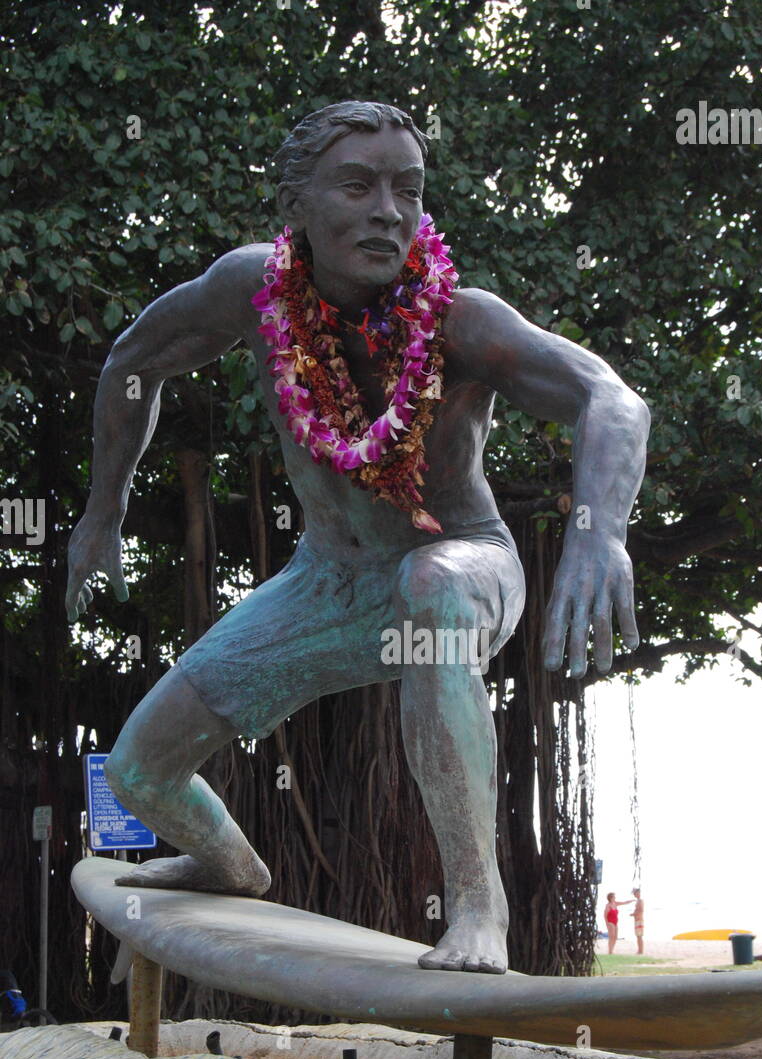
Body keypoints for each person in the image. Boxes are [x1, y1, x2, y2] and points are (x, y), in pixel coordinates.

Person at [65, 100, 649, 975]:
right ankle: (233, 866)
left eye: (407, 191)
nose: (387, 211)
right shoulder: (250, 288)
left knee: (431, 586)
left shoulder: (462, 322)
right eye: (358, 185)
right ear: (297, 202)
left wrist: (600, 534)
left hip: (460, 566)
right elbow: (133, 362)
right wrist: (102, 513)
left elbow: (611, 398)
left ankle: (477, 908)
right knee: (138, 775)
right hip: (327, 583)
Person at [631, 886, 645, 955]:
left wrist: (634, 914)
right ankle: (639, 950)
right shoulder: (638, 901)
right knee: (638, 936)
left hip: (639, 920)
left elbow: (641, 910)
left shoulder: (640, 901)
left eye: (635, 893)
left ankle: (640, 950)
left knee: (639, 936)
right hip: (638, 920)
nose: (634, 894)